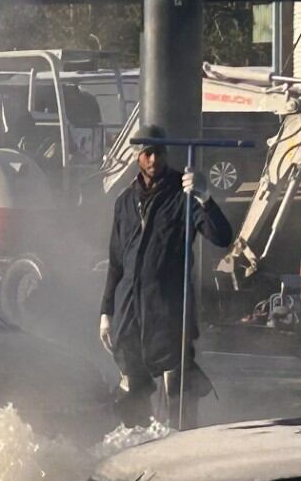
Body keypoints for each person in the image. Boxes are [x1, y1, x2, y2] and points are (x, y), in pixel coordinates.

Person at [99, 126, 235, 431]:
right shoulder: (124, 201)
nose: (153, 159)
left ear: (166, 154)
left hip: (169, 312)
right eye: (147, 153)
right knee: (131, 392)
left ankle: (181, 451)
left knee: (179, 391)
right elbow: (116, 262)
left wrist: (205, 198)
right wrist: (106, 311)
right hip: (130, 312)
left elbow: (223, 237)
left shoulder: (183, 196)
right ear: (137, 156)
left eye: (158, 153)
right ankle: (135, 449)